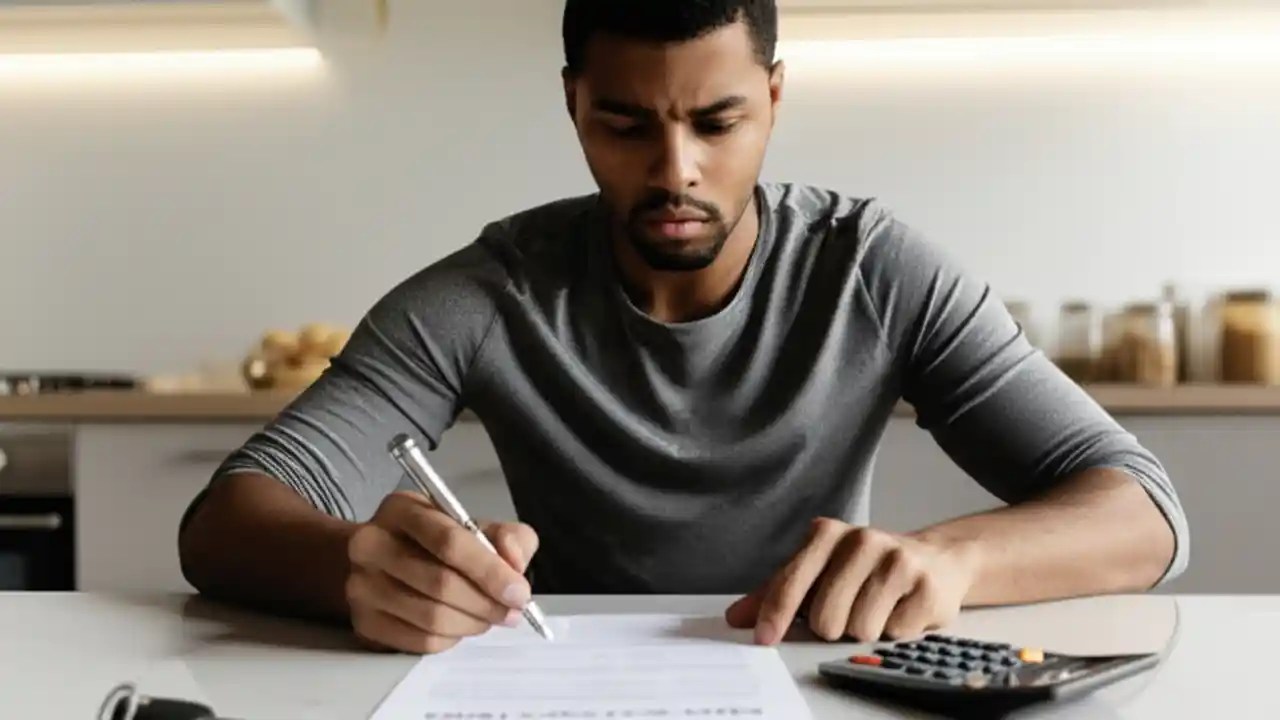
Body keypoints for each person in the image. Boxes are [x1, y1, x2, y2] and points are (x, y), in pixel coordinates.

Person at [178, 0, 1188, 656]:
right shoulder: (489, 294)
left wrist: (953, 563)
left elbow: (1141, 511)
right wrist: (357, 569)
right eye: (626, 124)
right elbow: (227, 519)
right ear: (574, 107)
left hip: (818, 685)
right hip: (561, 688)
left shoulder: (870, 269)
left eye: (715, 121)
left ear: (774, 99)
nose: (673, 172)